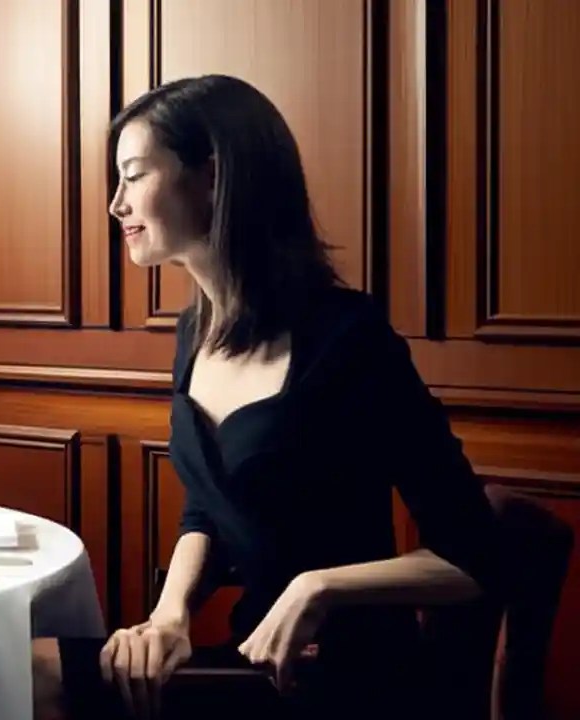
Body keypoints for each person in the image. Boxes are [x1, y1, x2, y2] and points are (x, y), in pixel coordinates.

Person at [32, 75, 501, 718]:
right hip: (251, 658)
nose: (116, 203)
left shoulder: (349, 340)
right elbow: (209, 506)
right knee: (22, 670)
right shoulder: (197, 331)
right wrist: (169, 617)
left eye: (135, 175)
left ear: (214, 176)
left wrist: (320, 587)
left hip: (341, 681)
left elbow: (474, 555)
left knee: (37, 682)